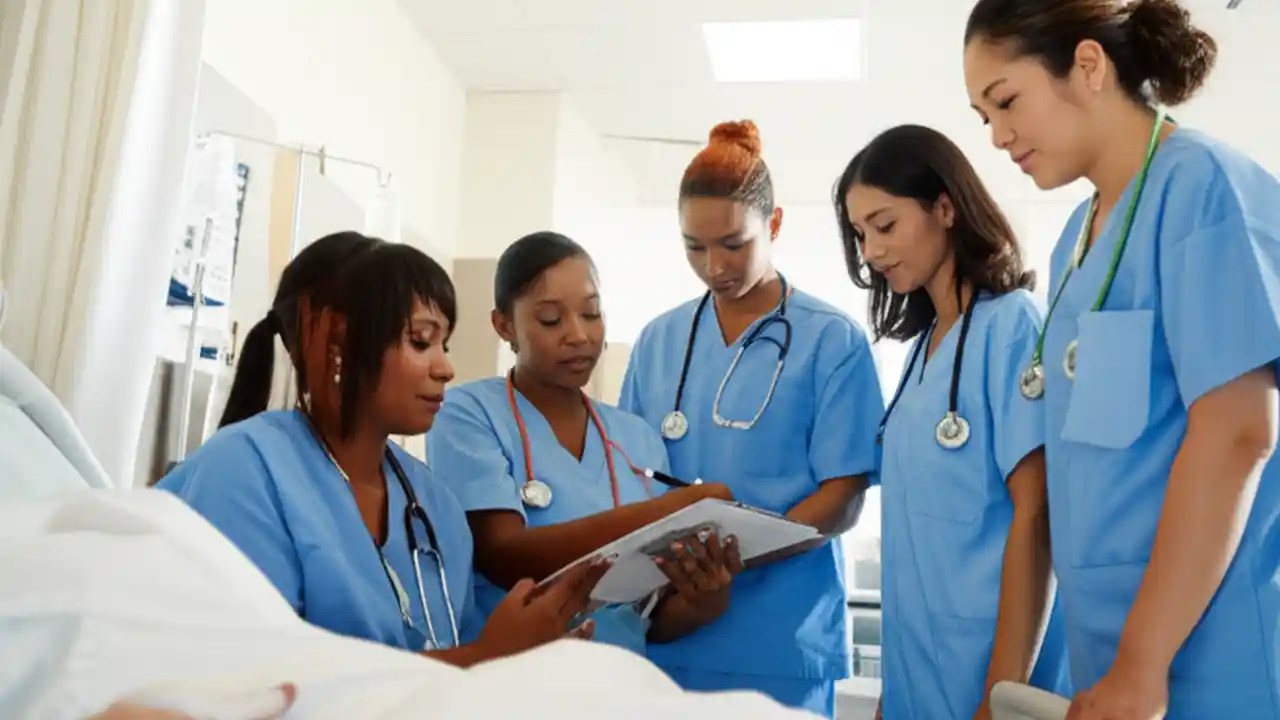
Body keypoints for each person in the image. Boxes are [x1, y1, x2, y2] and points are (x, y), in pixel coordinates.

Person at [964, 2, 1280, 718]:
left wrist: (1143, 664)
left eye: (1006, 101)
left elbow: (1238, 433)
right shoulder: (1076, 239)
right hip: (1111, 660)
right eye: (983, 117)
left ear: (1087, 66)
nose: (998, 135)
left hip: (1206, 657)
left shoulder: (1202, 185)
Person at [158, 232, 605, 668]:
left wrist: (521, 663)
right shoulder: (244, 471)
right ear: (339, 345)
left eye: (443, 344)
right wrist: (487, 657)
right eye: (420, 341)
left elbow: (457, 667)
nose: (445, 368)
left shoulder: (434, 506)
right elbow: (251, 682)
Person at [618, 120, 884, 718]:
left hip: (780, 640)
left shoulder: (832, 340)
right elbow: (630, 480)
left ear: (776, 224)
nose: (714, 266)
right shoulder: (659, 341)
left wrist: (732, 558)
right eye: (694, 246)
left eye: (733, 244)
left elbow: (843, 495)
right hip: (669, 637)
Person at [835, 124, 1071, 720]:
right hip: (920, 680)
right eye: (861, 234)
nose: (871, 252)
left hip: (990, 677)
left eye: (885, 226)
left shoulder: (1011, 326)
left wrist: (1001, 695)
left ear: (945, 208)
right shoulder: (921, 353)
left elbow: (1036, 514)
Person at [427, 231, 743, 658]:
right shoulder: (467, 412)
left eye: (591, 314)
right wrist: (674, 510)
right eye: (551, 320)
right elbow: (503, 554)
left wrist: (703, 601)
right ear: (504, 325)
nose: (578, 335)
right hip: (518, 686)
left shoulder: (637, 438)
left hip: (621, 687)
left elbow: (648, 618)